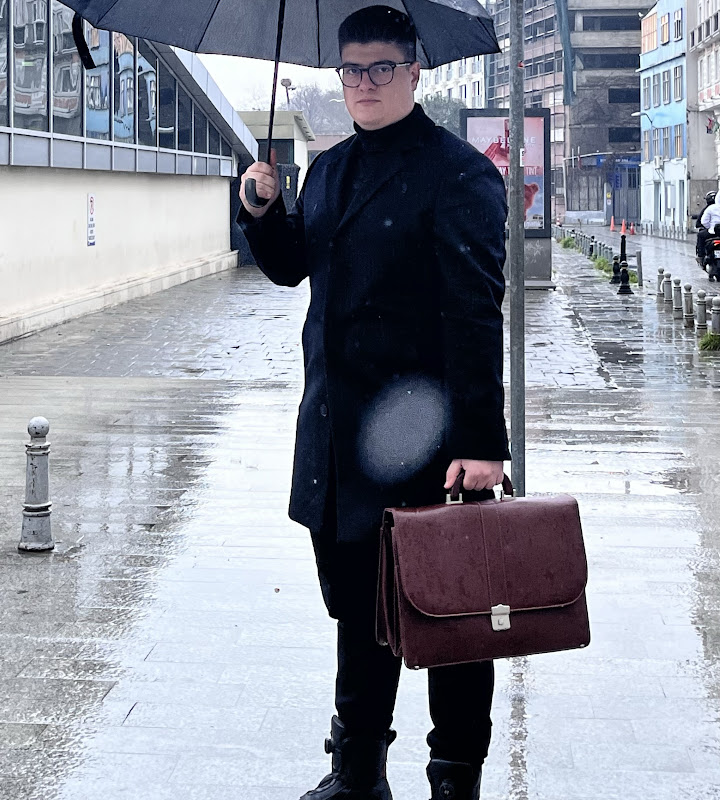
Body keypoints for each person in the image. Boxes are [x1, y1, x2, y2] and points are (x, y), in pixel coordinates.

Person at [237, 7, 510, 800]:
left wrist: (483, 441)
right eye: (352, 69)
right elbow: (293, 267)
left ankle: (455, 776)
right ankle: (358, 772)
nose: (364, 83)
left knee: (452, 616)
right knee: (358, 613)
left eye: (381, 68)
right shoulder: (328, 170)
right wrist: (263, 210)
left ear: (414, 72)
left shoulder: (458, 172)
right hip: (338, 436)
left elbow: (474, 311)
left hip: (429, 438)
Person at [696, 190, 717, 263]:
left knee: (700, 235)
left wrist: (709, 227)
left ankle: (700, 256)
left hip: (711, 232)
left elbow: (703, 222)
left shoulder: (708, 209)